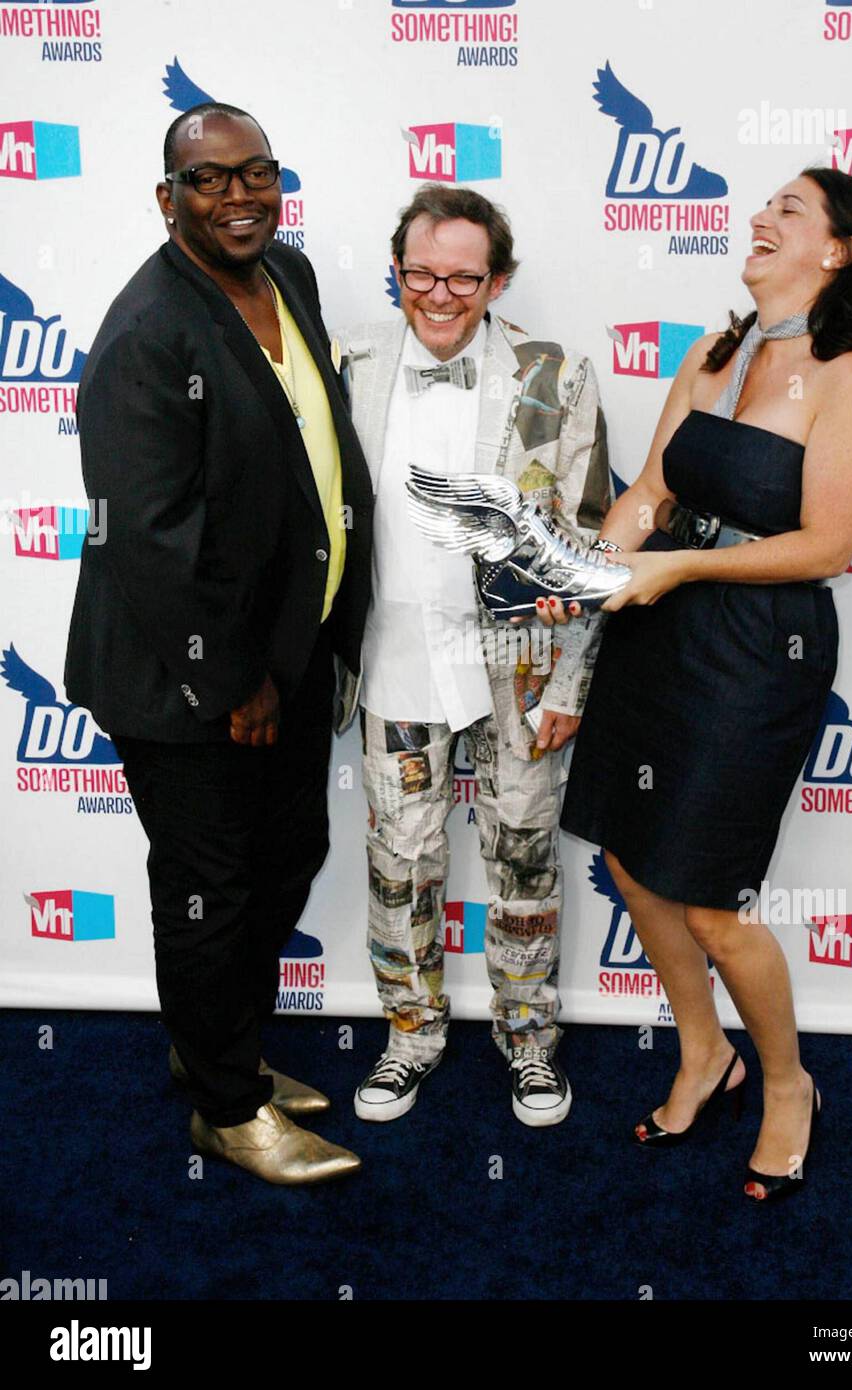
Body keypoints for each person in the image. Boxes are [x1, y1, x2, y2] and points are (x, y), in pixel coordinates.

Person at [544, 167, 852, 1198]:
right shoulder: (714, 353)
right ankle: (705, 1053)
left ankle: (788, 1083)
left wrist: (679, 565)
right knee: (629, 858)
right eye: (763, 206)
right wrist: (575, 576)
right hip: (659, 629)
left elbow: (827, 545)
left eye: (788, 210)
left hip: (757, 648)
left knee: (708, 900)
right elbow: (654, 492)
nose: (759, 217)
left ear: (839, 250)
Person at [64, 103, 373, 1185]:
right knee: (209, 888)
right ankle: (228, 1111)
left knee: (287, 854)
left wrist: (317, 640)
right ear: (167, 199)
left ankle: (213, 1049)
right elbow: (147, 538)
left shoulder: (285, 272)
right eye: (208, 180)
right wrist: (229, 677)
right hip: (187, 676)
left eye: (257, 174)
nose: (238, 196)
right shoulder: (149, 330)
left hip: (288, 654)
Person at [337, 184, 611, 1126]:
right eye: (420, 273)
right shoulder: (354, 363)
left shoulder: (557, 372)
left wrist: (570, 679)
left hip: (519, 669)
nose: (440, 294)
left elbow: (584, 540)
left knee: (524, 856)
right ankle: (410, 1035)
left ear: (500, 279)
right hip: (394, 660)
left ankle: (529, 1039)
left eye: (464, 275)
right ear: (399, 270)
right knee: (401, 859)